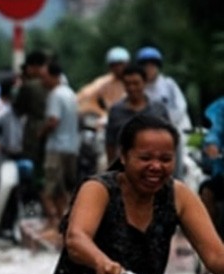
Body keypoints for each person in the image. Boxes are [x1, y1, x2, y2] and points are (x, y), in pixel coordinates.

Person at [36, 114, 224, 274]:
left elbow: (217, 259)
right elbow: (76, 238)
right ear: (124, 156)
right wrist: (100, 262)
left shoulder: (179, 196)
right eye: (145, 158)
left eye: (165, 159)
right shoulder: (98, 189)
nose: (156, 166)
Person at [39, 59, 80, 232]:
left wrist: (40, 133)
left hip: (56, 147)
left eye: (44, 77)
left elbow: (53, 120)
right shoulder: (70, 93)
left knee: (48, 189)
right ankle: (64, 220)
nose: (42, 81)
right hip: (72, 147)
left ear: (54, 76)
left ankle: (52, 221)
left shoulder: (55, 94)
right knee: (64, 188)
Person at [138, 45, 191, 178]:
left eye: (152, 65)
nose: (149, 69)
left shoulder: (168, 85)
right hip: (149, 132)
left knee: (183, 163)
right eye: (145, 66)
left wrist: (166, 125)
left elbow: (180, 107)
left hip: (175, 129)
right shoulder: (139, 87)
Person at [103, 62, 170, 165]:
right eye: (128, 84)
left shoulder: (158, 110)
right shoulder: (116, 111)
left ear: (144, 82)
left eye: (136, 83)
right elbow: (110, 143)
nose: (132, 88)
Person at [12, 50, 50, 192]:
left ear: (33, 67)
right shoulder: (55, 82)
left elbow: (18, 109)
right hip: (54, 130)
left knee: (37, 168)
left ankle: (42, 198)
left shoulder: (29, 86)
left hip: (34, 130)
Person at [76, 46, 129, 119]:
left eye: (120, 64)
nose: (118, 68)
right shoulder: (104, 82)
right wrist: (102, 113)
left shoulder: (133, 80)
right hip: (111, 118)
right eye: (114, 65)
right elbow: (84, 96)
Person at [198, 95, 224, 235]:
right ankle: (210, 240)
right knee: (207, 192)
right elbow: (215, 130)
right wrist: (212, 144)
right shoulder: (222, 107)